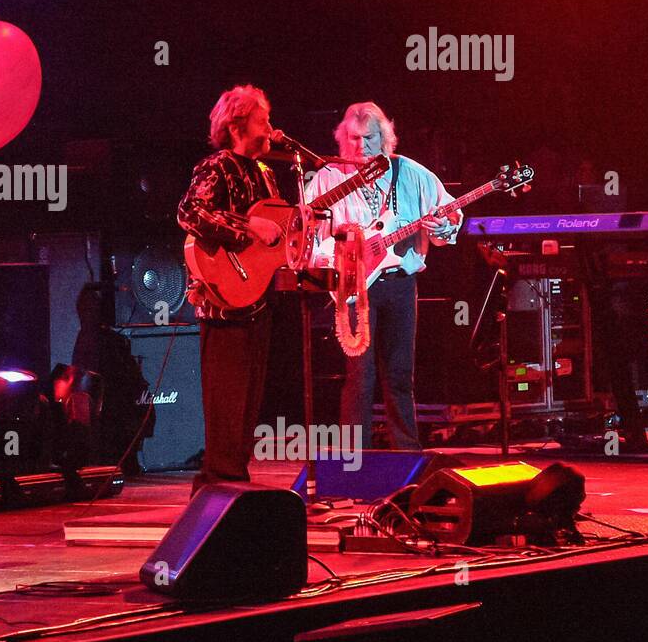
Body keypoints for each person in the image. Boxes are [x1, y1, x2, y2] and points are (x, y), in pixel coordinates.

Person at [305, 102, 460, 451]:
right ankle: (353, 458)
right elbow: (307, 236)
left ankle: (406, 455)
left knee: (400, 373)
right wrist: (343, 261)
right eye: (353, 138)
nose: (361, 146)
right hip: (355, 285)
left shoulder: (411, 173)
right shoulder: (330, 177)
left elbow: (449, 217)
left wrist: (443, 224)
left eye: (369, 137)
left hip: (401, 284)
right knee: (360, 377)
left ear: (385, 137)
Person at [177, 85, 283, 493]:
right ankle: (220, 485)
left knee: (250, 401)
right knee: (227, 400)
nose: (270, 128)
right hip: (224, 300)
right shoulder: (217, 166)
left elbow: (275, 235)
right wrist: (248, 225)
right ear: (237, 125)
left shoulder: (266, 172)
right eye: (262, 120)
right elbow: (190, 211)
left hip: (257, 296)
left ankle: (235, 479)